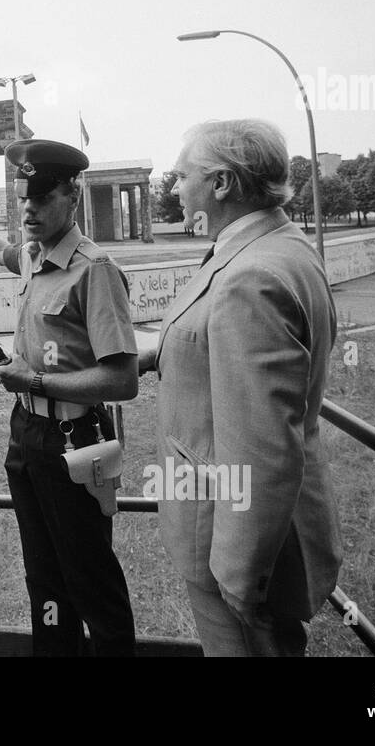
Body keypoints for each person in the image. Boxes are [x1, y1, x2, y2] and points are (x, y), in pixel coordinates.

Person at [0, 139, 141, 656]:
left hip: (76, 438)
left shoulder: (94, 271)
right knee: (44, 577)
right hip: (27, 434)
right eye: (23, 199)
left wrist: (34, 381)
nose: (28, 209)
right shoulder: (33, 257)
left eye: (41, 198)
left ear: (71, 197)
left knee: (89, 578)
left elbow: (122, 381)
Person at [155, 118, 341, 656]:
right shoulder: (281, 246)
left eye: (181, 175)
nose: (174, 187)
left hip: (231, 545)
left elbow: (263, 446)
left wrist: (240, 573)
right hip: (256, 530)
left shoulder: (248, 278)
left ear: (221, 184)